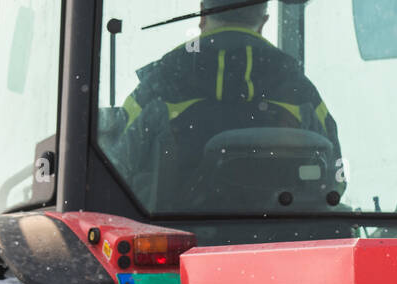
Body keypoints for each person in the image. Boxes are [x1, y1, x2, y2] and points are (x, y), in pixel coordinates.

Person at [116, 1, 342, 208]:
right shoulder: (300, 91)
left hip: (179, 239)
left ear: (203, 14)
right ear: (264, 23)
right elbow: (336, 179)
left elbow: (115, 166)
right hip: (283, 242)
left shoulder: (161, 83)